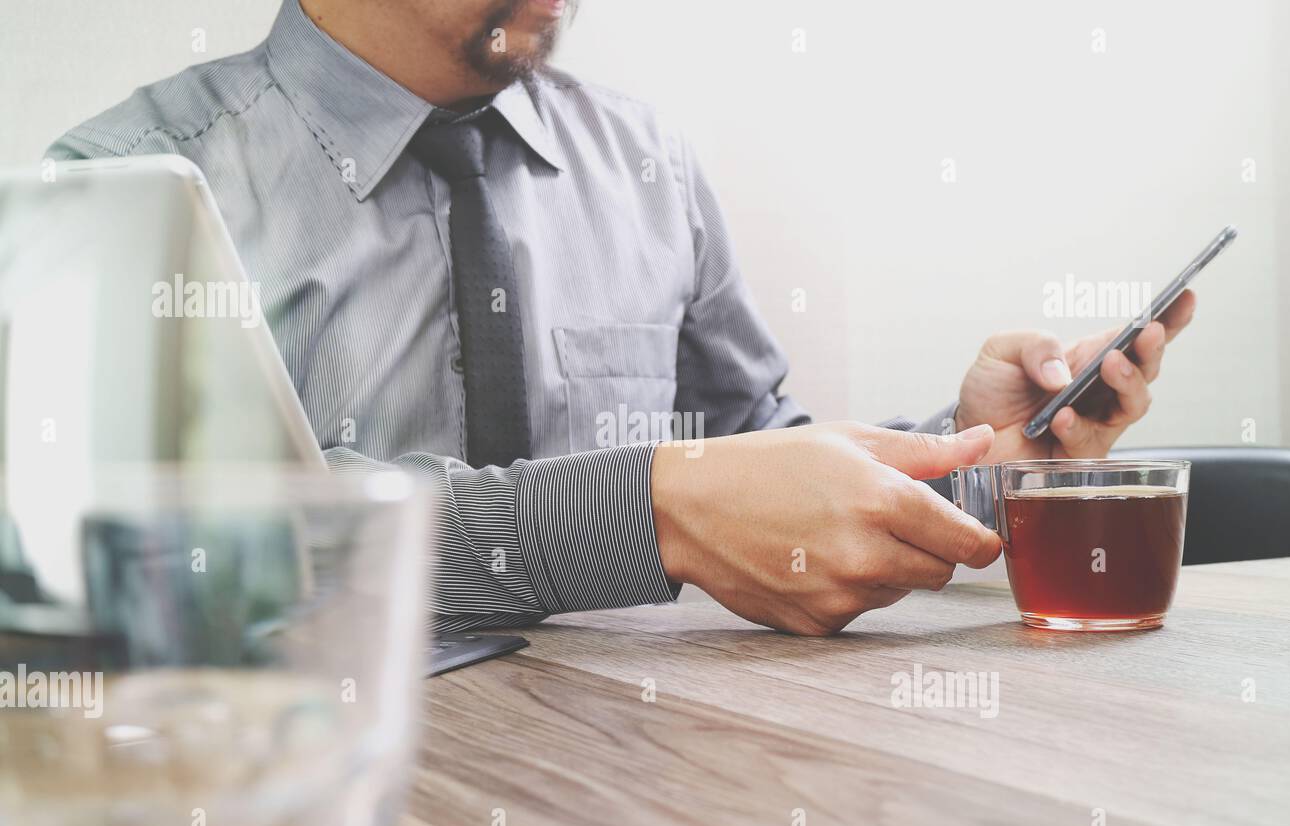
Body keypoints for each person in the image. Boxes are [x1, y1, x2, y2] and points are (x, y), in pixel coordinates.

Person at [49, 0, 1194, 636]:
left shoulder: (646, 161)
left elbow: (763, 468)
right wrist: (647, 510)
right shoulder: (125, 183)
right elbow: (149, 559)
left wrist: (979, 455)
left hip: (655, 785)